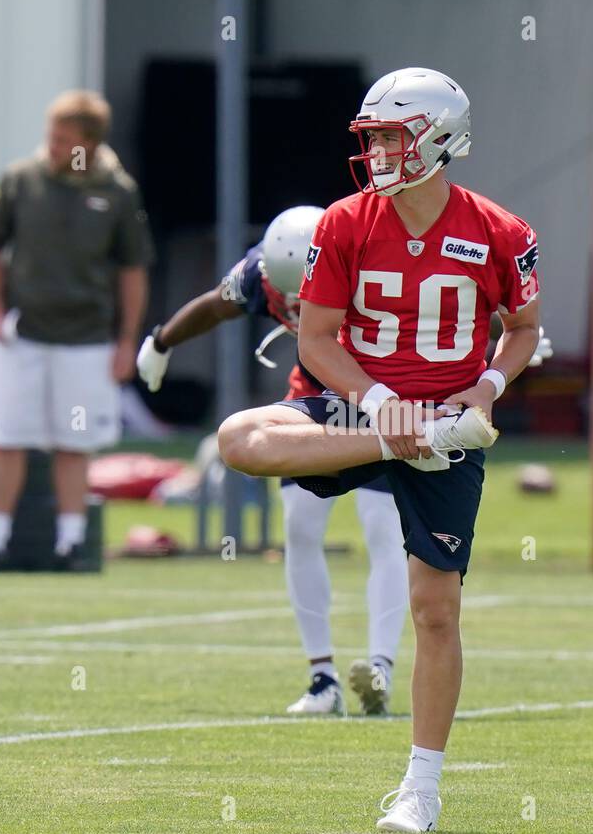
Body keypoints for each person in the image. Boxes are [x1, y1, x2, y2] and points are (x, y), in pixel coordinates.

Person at [215, 67, 541, 833]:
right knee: (241, 439)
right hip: (371, 408)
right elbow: (317, 339)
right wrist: (389, 410)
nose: (380, 152)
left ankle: (420, 790)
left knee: (435, 610)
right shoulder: (345, 221)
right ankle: (409, 442)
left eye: (393, 136)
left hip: (450, 420)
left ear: (439, 138)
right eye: (376, 138)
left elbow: (522, 330)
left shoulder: (501, 231)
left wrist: (488, 387)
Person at [137, 205, 409, 716]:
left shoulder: (371, 260)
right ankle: (322, 679)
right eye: (285, 297)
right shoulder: (262, 273)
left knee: (382, 528)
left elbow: (441, 307)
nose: (291, 306)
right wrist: (161, 340)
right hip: (313, 403)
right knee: (302, 529)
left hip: (380, 398)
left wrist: (505, 343)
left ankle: (381, 667)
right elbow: (216, 306)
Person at [0, 90, 153, 571]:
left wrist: (126, 340)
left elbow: (132, 270)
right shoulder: (19, 180)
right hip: (23, 334)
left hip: (87, 339)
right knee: (8, 437)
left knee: (74, 443)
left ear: (89, 143)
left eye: (63, 140)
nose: (52, 147)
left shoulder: (118, 193)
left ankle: (70, 544)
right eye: (51, 137)